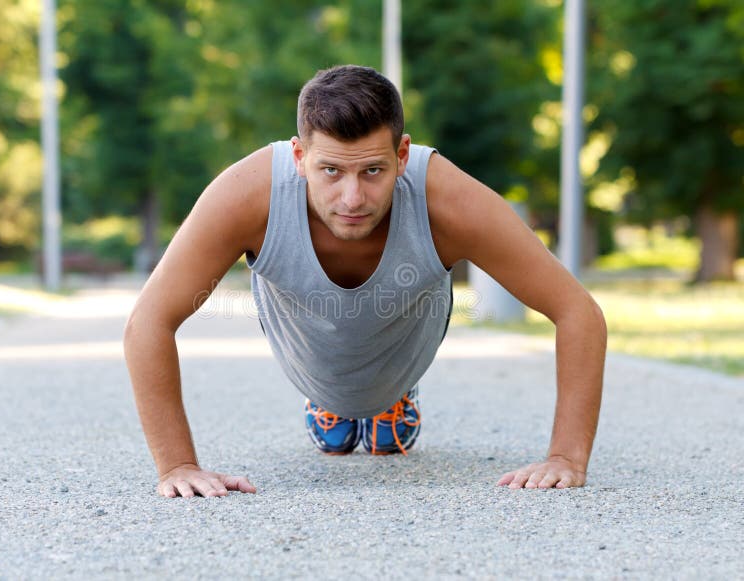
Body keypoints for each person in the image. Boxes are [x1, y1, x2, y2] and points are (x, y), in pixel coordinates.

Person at [123, 65, 607, 499]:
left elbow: (577, 311)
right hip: (306, 329)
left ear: (402, 154)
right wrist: (178, 465)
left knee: (383, 400)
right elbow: (150, 320)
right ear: (298, 156)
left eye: (373, 170)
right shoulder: (246, 196)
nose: (352, 197)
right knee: (339, 396)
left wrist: (565, 457)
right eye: (330, 170)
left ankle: (391, 397)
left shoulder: (450, 200)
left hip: (405, 326)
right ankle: (333, 401)